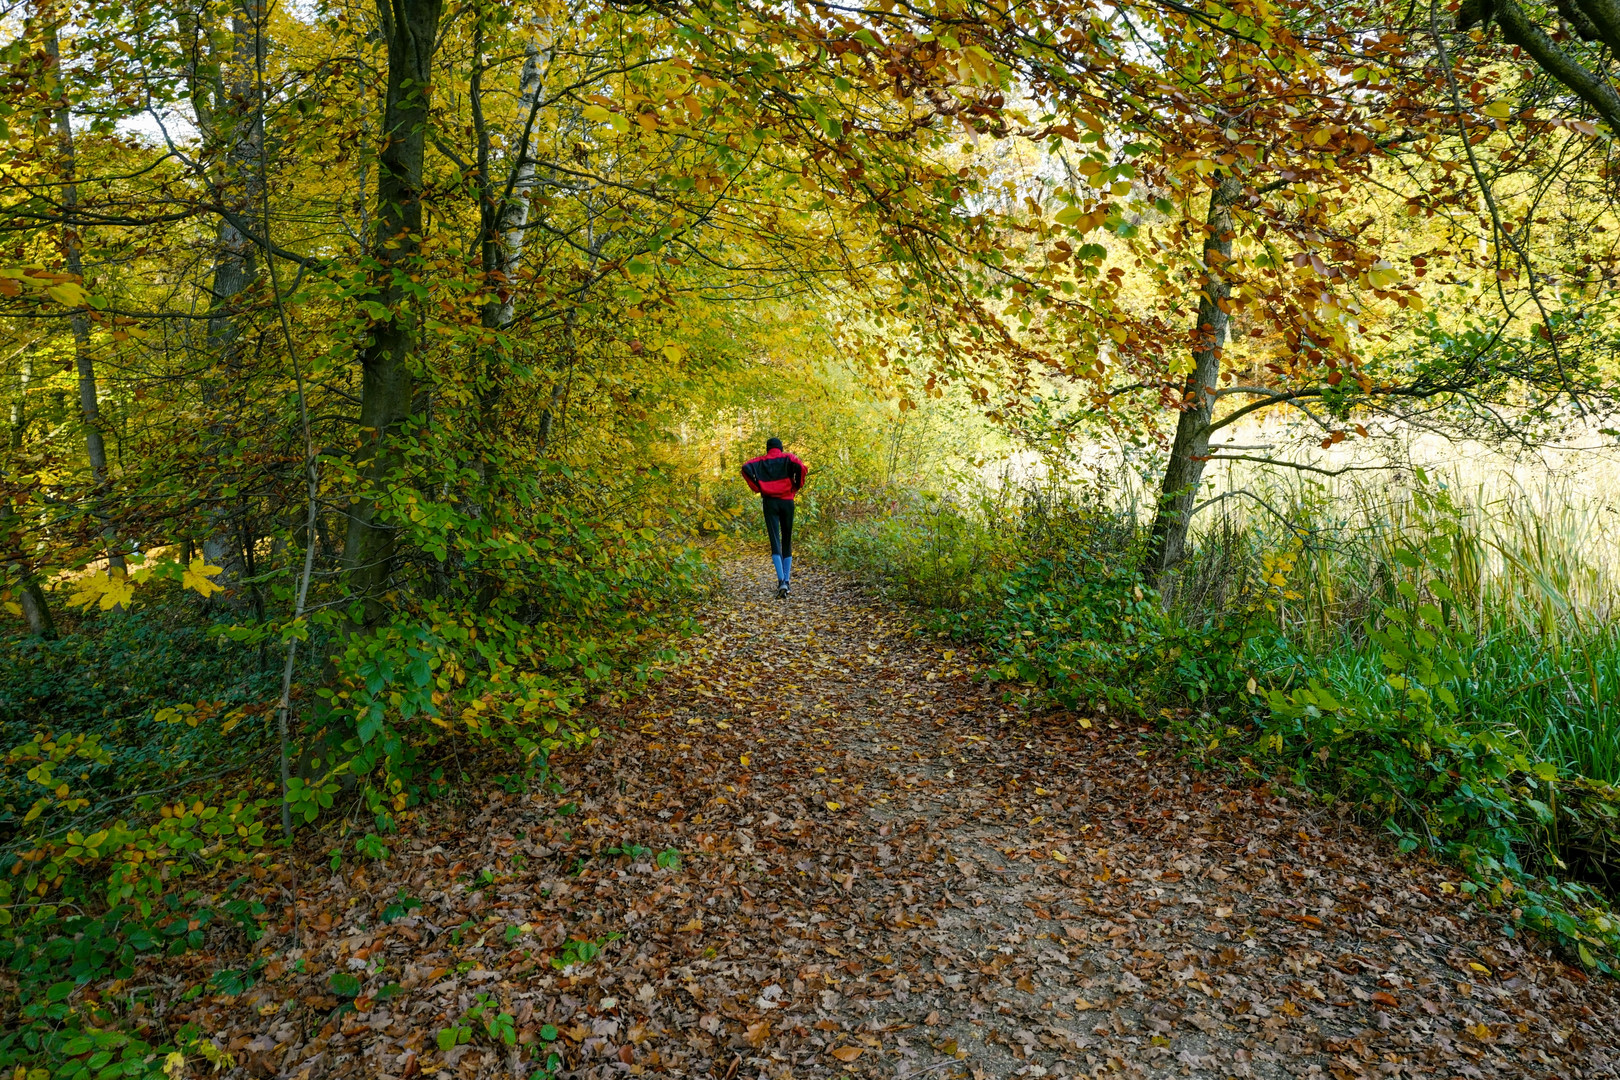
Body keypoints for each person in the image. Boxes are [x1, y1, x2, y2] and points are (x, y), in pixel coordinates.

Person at [740, 437, 808, 598]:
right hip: (787, 501)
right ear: (781, 447)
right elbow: (801, 467)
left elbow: (745, 468)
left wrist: (756, 487)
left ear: (767, 448)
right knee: (787, 539)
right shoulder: (788, 458)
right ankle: (787, 580)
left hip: (770, 503)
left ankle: (781, 581)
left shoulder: (760, 461)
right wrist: (797, 485)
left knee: (774, 540)